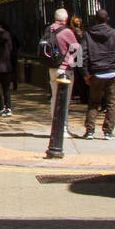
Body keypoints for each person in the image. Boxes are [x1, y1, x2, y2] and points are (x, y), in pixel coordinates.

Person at [81, 7, 115, 139]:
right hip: (113, 72)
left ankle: (89, 130)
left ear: (95, 20)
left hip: (96, 73)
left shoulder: (88, 34)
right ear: (108, 20)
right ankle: (108, 131)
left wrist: (85, 73)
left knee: (94, 102)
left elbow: (81, 55)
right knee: (112, 103)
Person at [44, 9, 82, 137]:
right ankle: (63, 129)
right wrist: (79, 65)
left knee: (55, 97)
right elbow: (77, 48)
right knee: (64, 100)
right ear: (66, 19)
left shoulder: (49, 30)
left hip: (52, 68)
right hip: (65, 69)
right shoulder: (67, 31)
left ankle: (55, 126)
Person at [70, 17, 89, 106]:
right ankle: (83, 96)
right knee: (81, 77)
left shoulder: (75, 32)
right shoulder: (80, 32)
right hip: (79, 56)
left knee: (78, 76)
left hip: (77, 56)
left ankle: (82, 96)